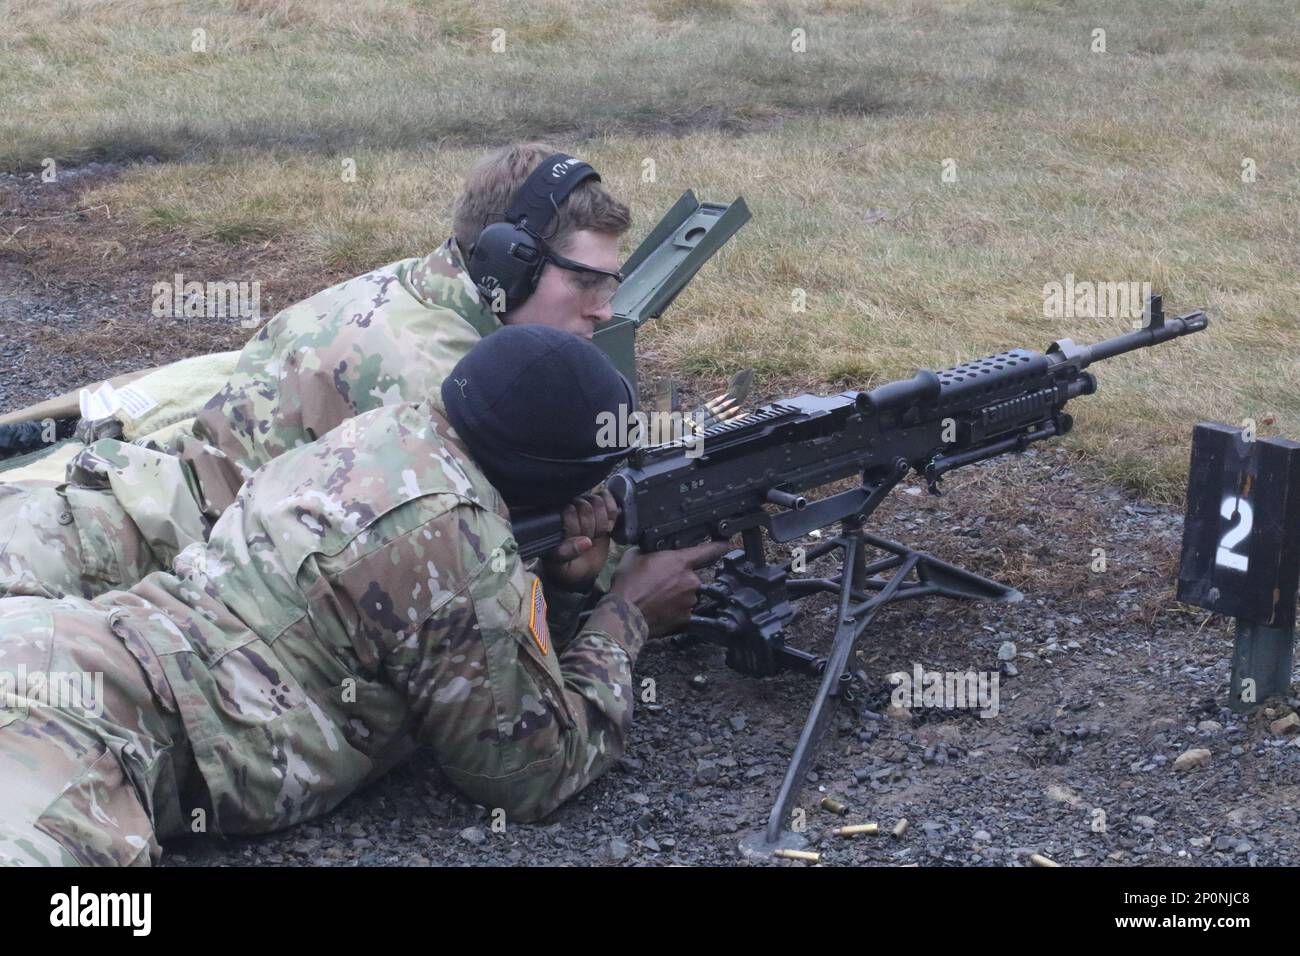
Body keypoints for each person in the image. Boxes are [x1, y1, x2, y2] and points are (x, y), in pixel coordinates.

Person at [0, 327, 730, 866]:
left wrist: (559, 589)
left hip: (59, 638)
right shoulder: (453, 537)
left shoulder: (393, 430)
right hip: (90, 727)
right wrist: (625, 615)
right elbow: (528, 774)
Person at [0, 143, 631, 601]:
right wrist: (597, 585)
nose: (603, 308)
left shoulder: (408, 286)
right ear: (505, 263)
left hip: (106, 515)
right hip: (122, 573)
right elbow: (468, 596)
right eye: (583, 281)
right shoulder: (443, 388)